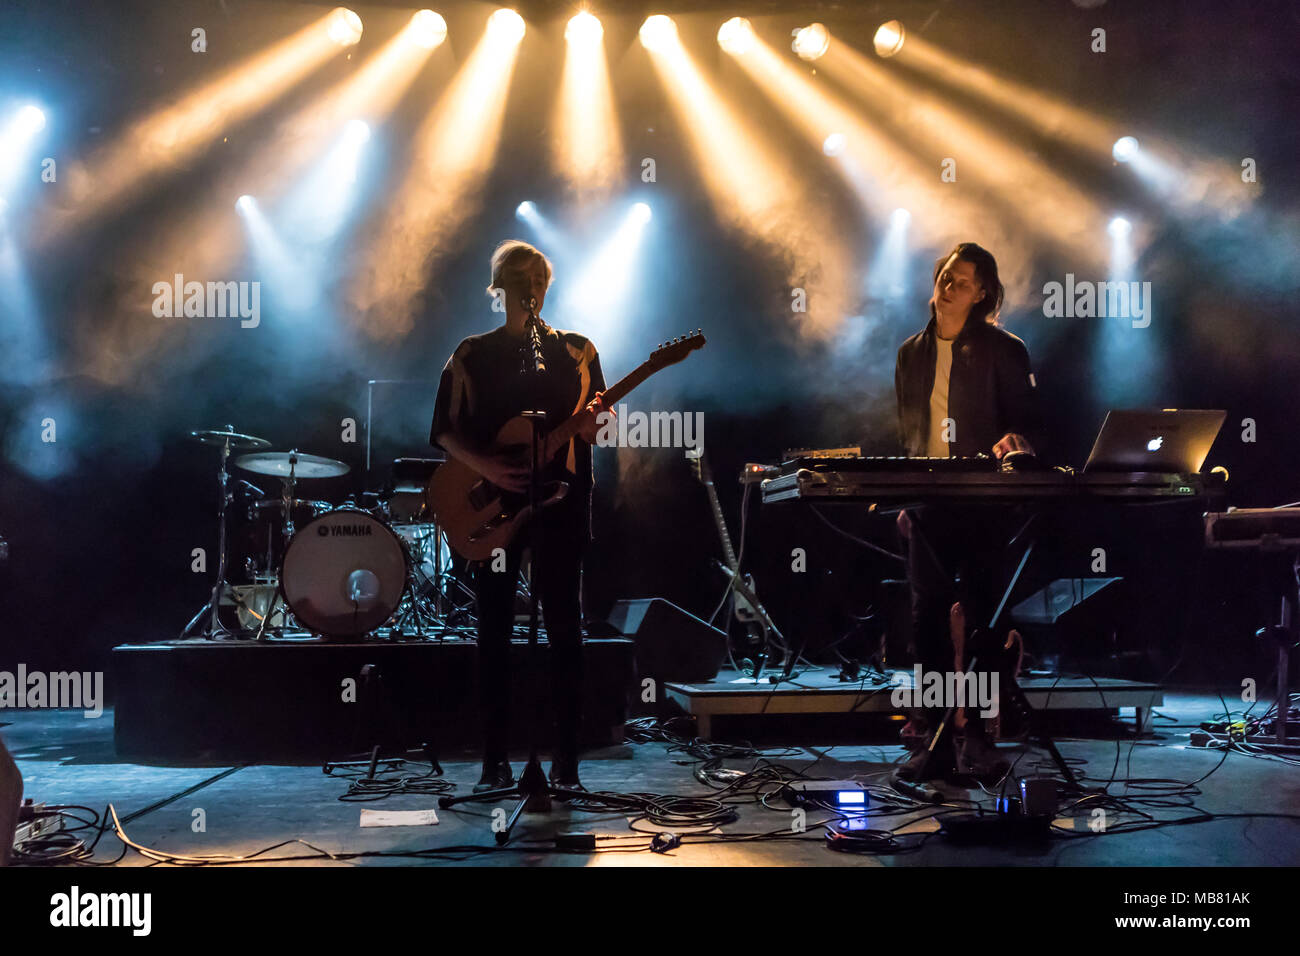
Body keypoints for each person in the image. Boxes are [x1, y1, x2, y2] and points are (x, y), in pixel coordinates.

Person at [431, 240, 611, 792]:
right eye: (517, 275)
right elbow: (442, 429)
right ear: (498, 285)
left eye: (538, 275)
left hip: (562, 499)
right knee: (494, 629)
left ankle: (567, 764)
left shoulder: (576, 351)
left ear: (548, 285)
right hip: (494, 505)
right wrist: (490, 465)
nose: (529, 284)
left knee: (565, 628)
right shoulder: (471, 354)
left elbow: (597, 417)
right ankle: (492, 761)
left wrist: (590, 425)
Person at [892, 242, 1038, 785]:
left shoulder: (1005, 349)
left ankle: (978, 735)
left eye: (962, 280)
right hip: (929, 499)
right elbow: (908, 433)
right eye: (946, 275)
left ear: (981, 294)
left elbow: (1031, 426)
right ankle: (932, 737)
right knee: (926, 621)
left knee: (985, 618)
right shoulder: (911, 352)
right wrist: (906, 499)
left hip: (985, 502)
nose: (949, 285)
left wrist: (1016, 445)